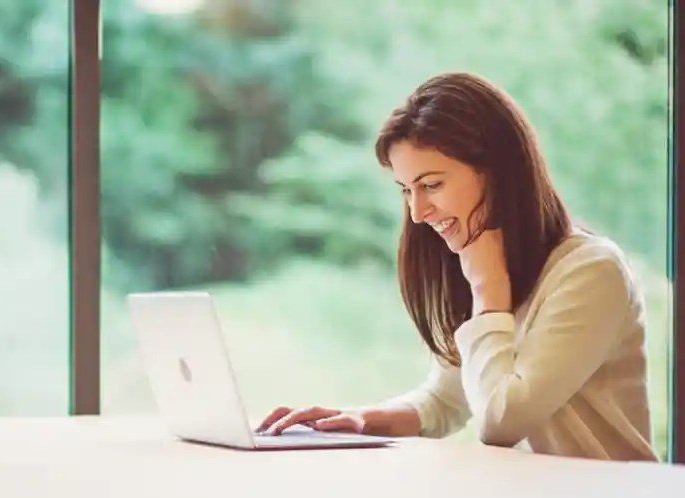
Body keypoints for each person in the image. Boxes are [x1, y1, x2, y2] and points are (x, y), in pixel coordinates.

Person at [257, 72, 657, 462]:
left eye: (431, 185)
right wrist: (358, 420)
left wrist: (488, 293)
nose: (417, 213)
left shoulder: (590, 272)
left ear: (498, 174)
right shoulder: (482, 261)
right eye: (406, 191)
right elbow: (444, 401)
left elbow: (502, 421)